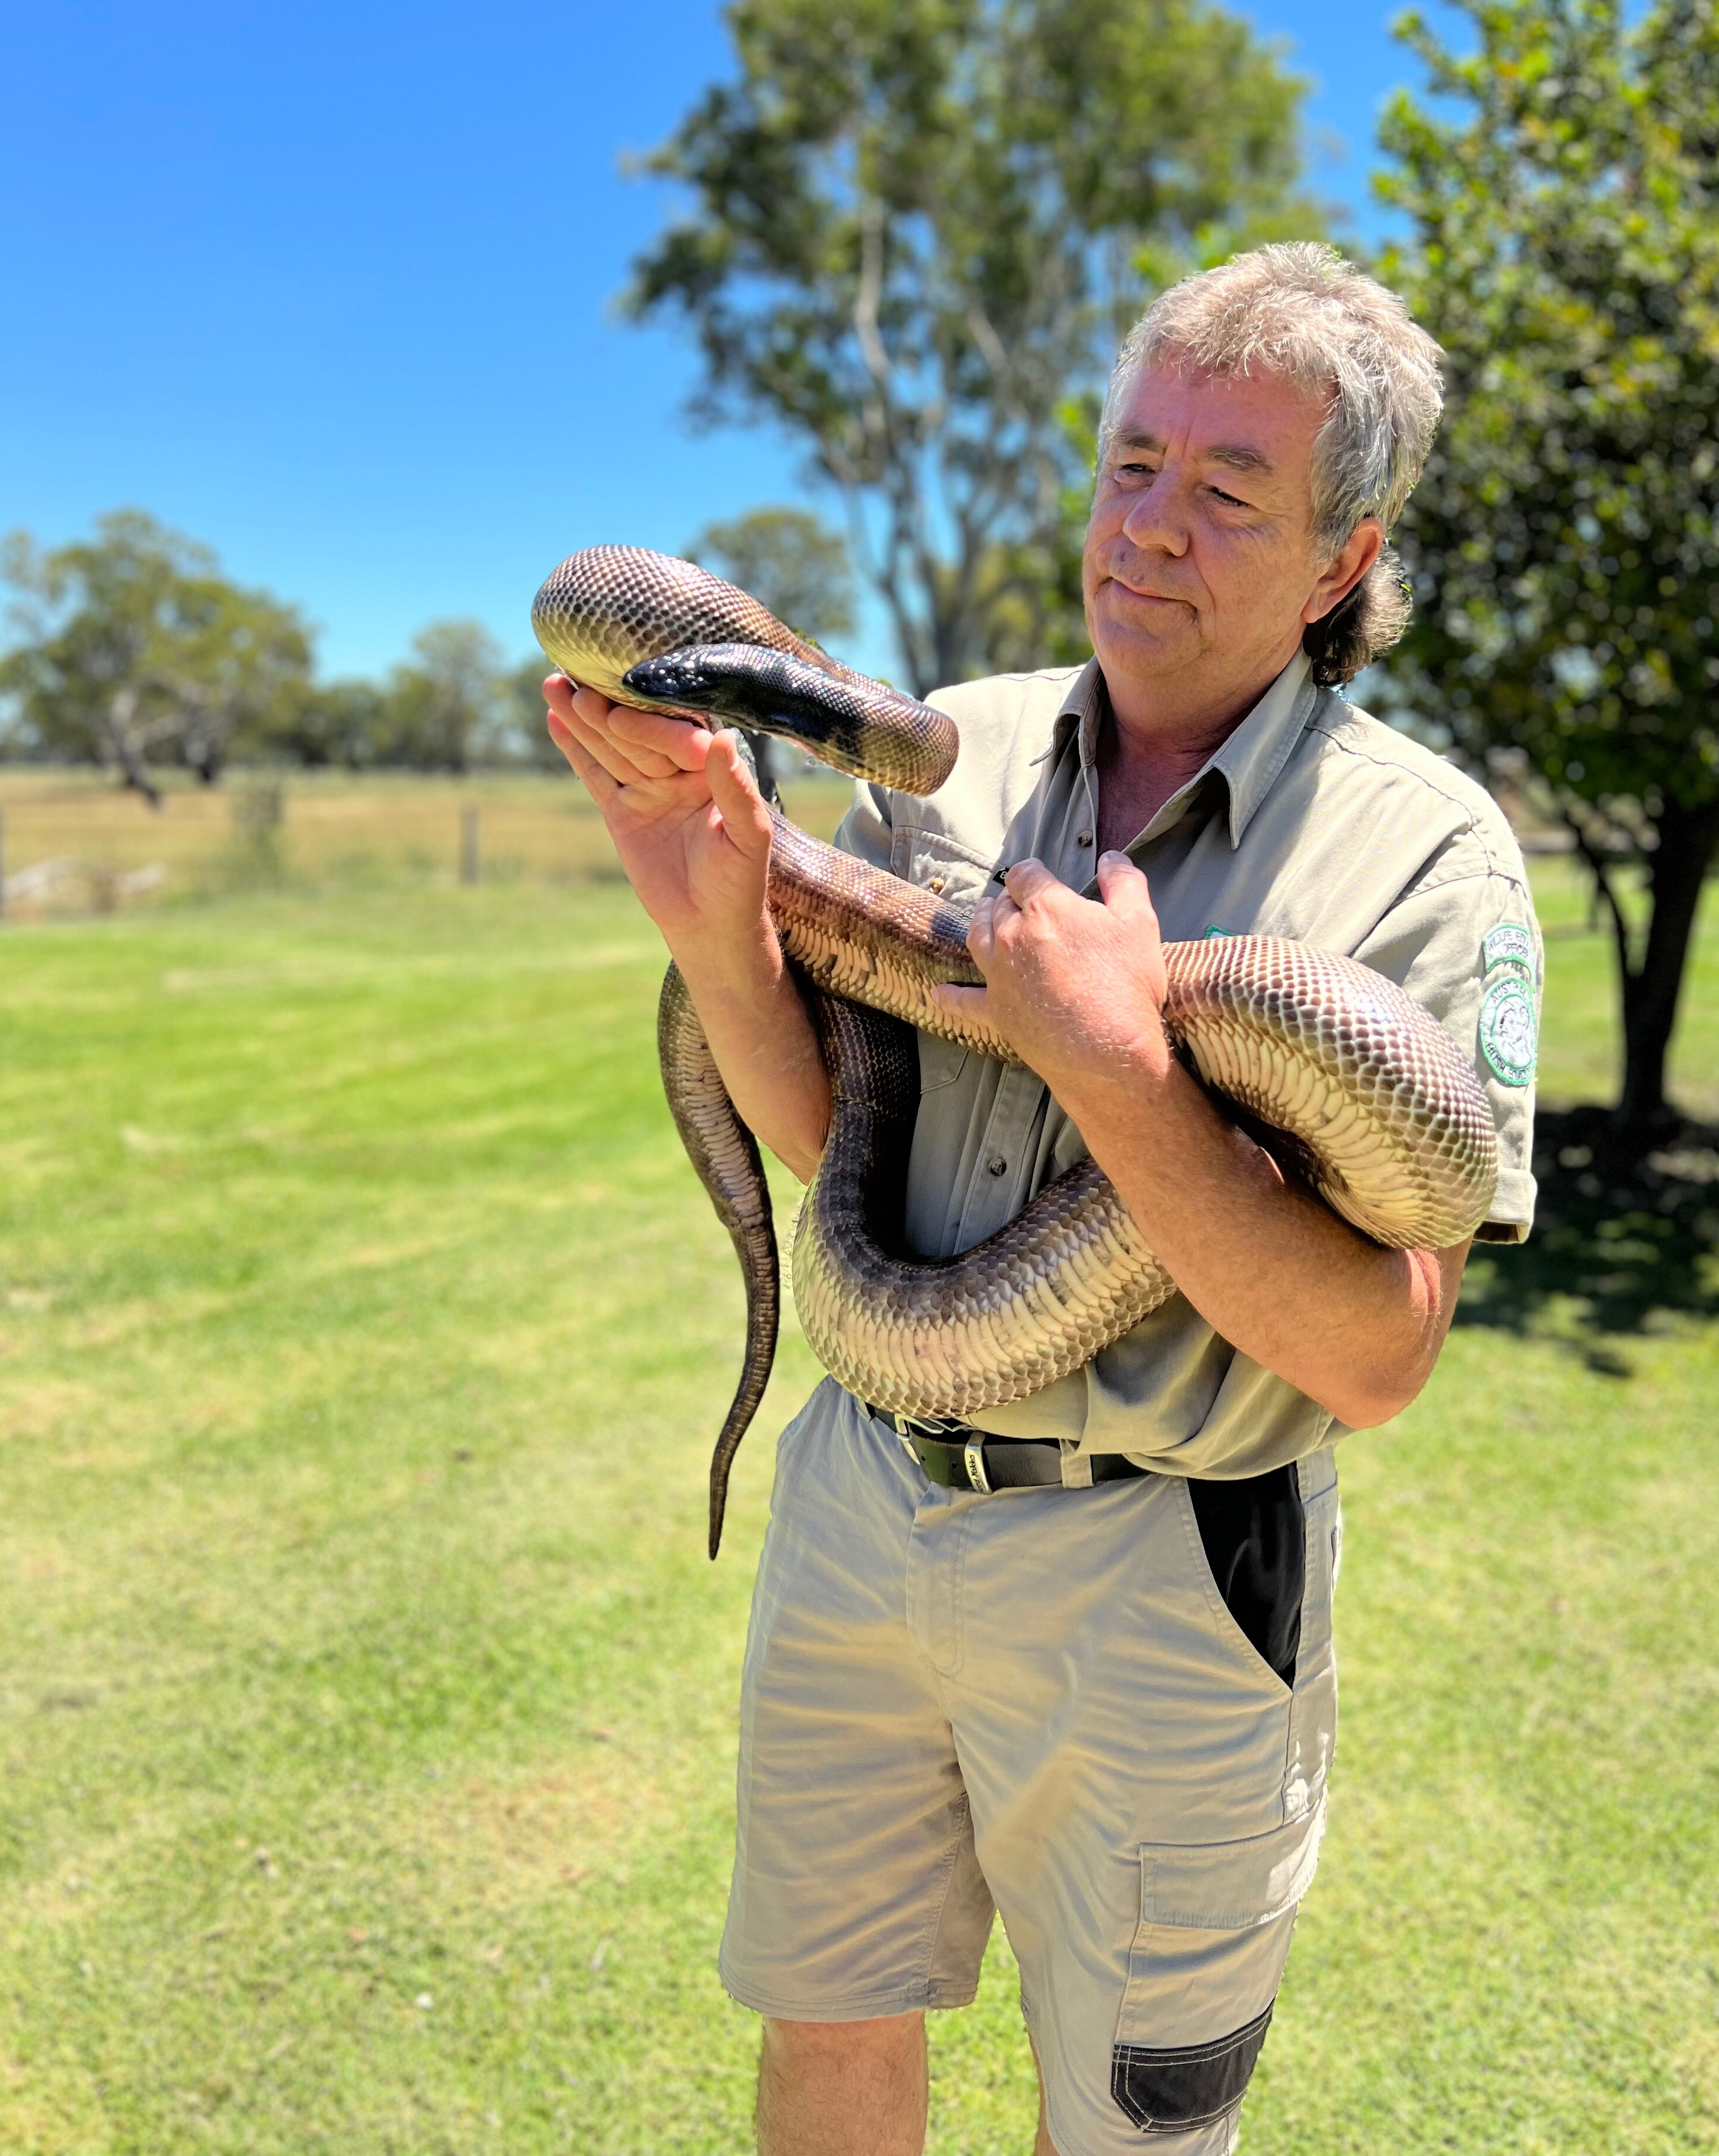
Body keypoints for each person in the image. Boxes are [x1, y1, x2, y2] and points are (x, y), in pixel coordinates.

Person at [544, 243, 1541, 2156]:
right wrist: (720, 924)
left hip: (1159, 1571)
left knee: (1133, 2126)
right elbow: (843, 1148)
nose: (1151, 529)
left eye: (1230, 490)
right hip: (863, 1503)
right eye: (1132, 466)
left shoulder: (1428, 859)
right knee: (827, 2035)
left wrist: (1124, 1062)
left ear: (1343, 559)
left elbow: (1379, 1352)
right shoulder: (943, 751)